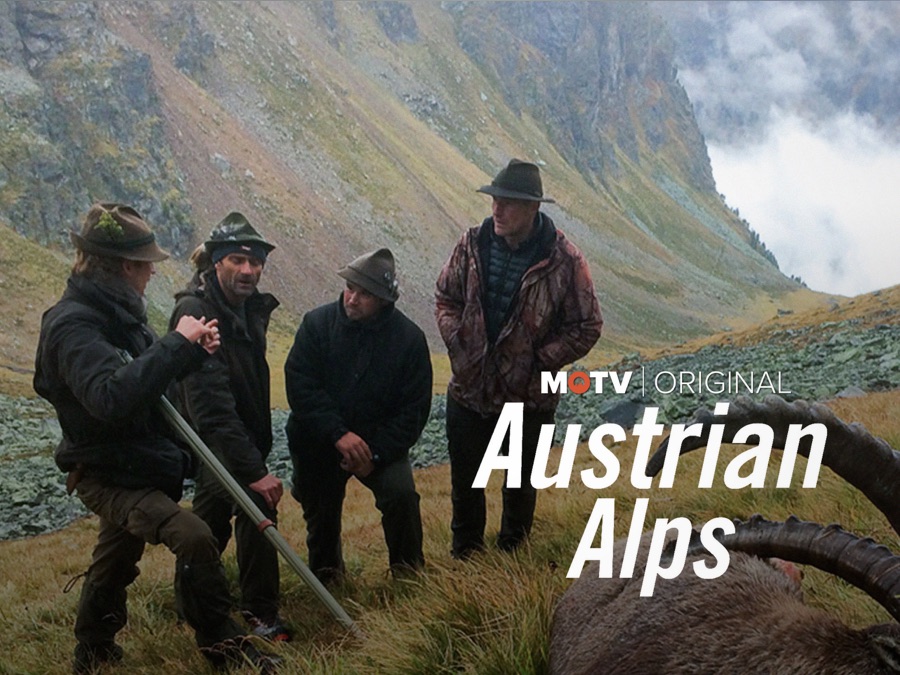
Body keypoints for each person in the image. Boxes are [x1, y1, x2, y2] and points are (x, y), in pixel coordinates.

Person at [33, 203, 280, 673]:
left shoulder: (116, 313)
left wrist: (188, 354)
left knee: (116, 559)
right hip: (107, 474)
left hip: (137, 464)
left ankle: (92, 649)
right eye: (146, 263)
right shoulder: (73, 325)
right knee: (193, 536)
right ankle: (224, 647)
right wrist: (175, 344)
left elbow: (152, 383)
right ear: (124, 266)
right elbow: (110, 397)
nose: (152, 271)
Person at [435, 159, 603, 559]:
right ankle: (466, 558)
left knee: (520, 484)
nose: (498, 210)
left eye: (508, 203)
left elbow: (587, 325)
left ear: (533, 208)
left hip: (528, 401)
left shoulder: (565, 260)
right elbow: (445, 297)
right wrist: (460, 344)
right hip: (468, 392)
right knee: (466, 484)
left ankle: (513, 557)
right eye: (496, 200)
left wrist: (539, 361)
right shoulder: (471, 244)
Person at [168, 212, 289, 642]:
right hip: (218, 442)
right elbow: (209, 405)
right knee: (258, 511)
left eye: (255, 262)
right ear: (215, 262)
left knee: (208, 526)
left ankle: (190, 602)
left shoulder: (244, 307)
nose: (249, 270)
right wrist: (253, 469)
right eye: (238, 260)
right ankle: (260, 613)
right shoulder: (199, 312)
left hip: (234, 440)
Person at [285, 248, 432, 583]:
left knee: (401, 496)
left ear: (384, 299)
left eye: (365, 293)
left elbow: (413, 411)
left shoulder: (409, 340)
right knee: (320, 509)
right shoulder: (316, 325)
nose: (352, 298)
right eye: (350, 288)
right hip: (320, 441)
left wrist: (375, 454)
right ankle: (327, 578)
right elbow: (301, 387)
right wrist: (337, 433)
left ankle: (409, 576)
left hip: (378, 445)